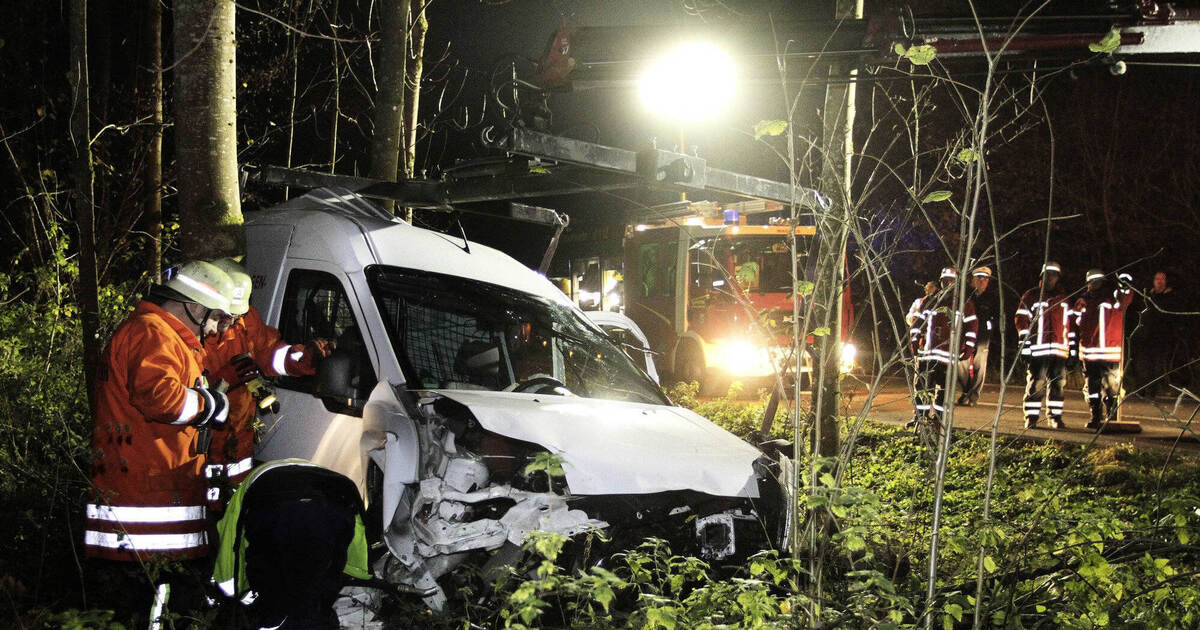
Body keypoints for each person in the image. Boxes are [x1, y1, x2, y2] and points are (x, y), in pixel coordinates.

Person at [85, 260, 236, 623]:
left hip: (152, 504)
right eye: (216, 318)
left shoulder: (160, 336)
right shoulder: (153, 333)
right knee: (147, 610)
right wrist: (210, 404)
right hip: (146, 509)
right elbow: (161, 398)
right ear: (196, 307)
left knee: (150, 610)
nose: (216, 329)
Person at [202, 258, 331, 513]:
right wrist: (223, 379)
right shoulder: (196, 327)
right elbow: (187, 390)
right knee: (205, 517)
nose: (232, 320)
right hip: (205, 445)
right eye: (227, 314)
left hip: (239, 440)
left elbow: (268, 352)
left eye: (236, 314)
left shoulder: (246, 319)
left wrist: (301, 358)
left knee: (236, 515)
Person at [909, 267, 977, 430]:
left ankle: (938, 421)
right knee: (922, 389)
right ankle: (921, 419)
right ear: (940, 282)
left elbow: (972, 327)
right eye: (945, 281)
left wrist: (968, 348)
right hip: (927, 355)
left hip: (948, 357)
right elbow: (917, 323)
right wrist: (914, 340)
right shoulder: (929, 301)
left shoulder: (964, 305)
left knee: (944, 392)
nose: (948, 283)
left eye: (951, 281)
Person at [1072, 269, 1134, 429]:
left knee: (1112, 387)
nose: (1095, 284)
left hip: (1110, 352)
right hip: (1089, 352)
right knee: (1092, 388)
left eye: (1098, 281)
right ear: (1087, 284)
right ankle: (1096, 416)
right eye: (1092, 281)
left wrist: (1124, 284)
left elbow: (1125, 298)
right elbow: (1076, 322)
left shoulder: (1113, 297)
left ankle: (1112, 418)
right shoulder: (1082, 301)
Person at [1015, 261, 1071, 429]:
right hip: (1038, 351)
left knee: (1058, 386)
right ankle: (1031, 418)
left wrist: (1072, 348)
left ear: (1058, 278)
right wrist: (1024, 344)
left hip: (1059, 351)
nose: (1050, 279)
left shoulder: (1064, 299)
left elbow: (1070, 324)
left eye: (1053, 275)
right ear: (1042, 276)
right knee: (1036, 384)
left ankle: (1055, 417)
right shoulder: (1031, 296)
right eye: (1047, 275)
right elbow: (1021, 319)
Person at [1130, 270, 1185, 396]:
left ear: (1166, 282)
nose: (1159, 282)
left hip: (1161, 338)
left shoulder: (1171, 298)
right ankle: (1140, 390)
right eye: (1157, 279)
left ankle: (1152, 392)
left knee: (1157, 366)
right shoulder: (1147, 296)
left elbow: (1170, 317)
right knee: (1142, 364)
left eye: (1162, 279)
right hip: (1144, 337)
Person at [957, 266, 996, 406]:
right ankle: (966, 391)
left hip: (982, 337)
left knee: (980, 366)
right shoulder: (965, 296)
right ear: (972, 280)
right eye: (979, 277)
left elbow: (996, 317)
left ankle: (973, 396)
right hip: (965, 335)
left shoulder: (992, 298)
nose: (982, 281)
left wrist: (992, 334)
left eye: (985, 278)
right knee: (961, 364)